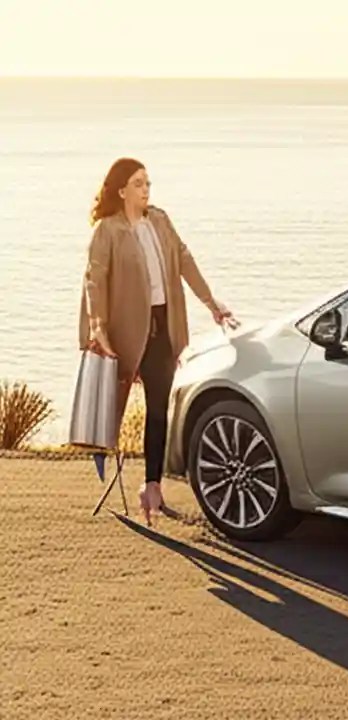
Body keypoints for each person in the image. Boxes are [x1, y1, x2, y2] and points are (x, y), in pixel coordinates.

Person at [79, 158, 240, 526]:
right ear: (121, 191)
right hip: (122, 330)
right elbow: (95, 280)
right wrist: (98, 327)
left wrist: (212, 303)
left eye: (148, 182)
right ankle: (104, 457)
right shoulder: (107, 230)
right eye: (138, 183)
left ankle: (152, 486)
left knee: (157, 410)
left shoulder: (161, 221)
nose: (146, 188)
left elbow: (184, 260)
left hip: (161, 328)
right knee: (111, 409)